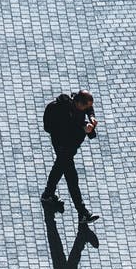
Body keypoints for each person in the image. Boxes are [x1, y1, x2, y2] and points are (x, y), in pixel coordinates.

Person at [41, 89, 99, 224]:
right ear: (78, 103)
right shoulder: (62, 111)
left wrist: (91, 117)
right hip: (63, 146)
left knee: (59, 169)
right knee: (72, 179)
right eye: (85, 107)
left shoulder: (77, 104)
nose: (88, 109)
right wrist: (83, 128)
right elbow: (68, 130)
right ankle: (82, 212)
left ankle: (48, 194)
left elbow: (89, 108)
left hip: (68, 147)